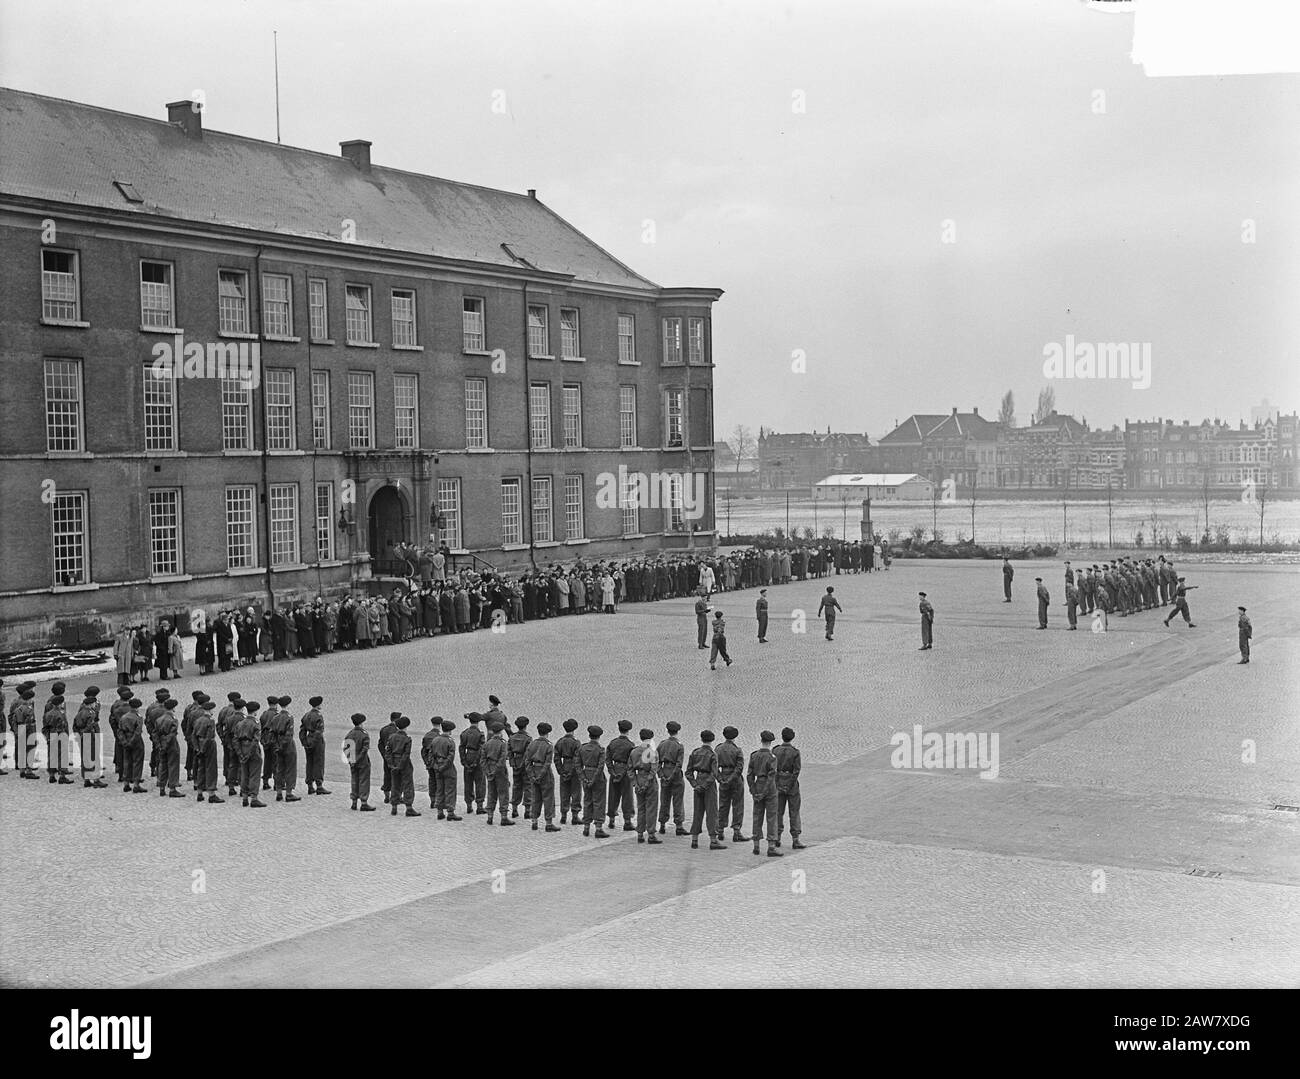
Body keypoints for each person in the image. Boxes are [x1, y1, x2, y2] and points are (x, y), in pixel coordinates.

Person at [686, 730, 726, 850]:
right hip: (708, 785)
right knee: (712, 812)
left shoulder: (695, 753)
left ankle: (694, 839)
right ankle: (713, 840)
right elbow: (714, 773)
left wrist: (695, 784)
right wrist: (705, 785)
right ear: (712, 740)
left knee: (697, 812)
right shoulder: (713, 755)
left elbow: (688, 772)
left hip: (698, 780)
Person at [747, 730, 782, 857]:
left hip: (757, 785)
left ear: (761, 740)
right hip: (769, 789)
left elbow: (749, 775)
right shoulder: (772, 758)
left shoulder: (754, 755)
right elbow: (771, 777)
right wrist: (765, 792)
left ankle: (756, 845)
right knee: (772, 817)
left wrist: (753, 790)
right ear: (771, 742)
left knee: (757, 816)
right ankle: (771, 846)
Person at [715, 725, 747, 845]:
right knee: (738, 805)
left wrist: (720, 778)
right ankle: (737, 831)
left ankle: (720, 829)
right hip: (735, 780)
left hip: (723, 775)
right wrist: (731, 779)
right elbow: (739, 768)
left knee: (723, 804)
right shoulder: (737, 750)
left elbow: (714, 766)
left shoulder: (718, 749)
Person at [773, 727, 804, 850]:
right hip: (791, 786)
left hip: (778, 782)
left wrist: (778, 784)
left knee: (778, 812)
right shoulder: (795, 752)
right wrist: (789, 785)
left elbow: (773, 769)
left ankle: (777, 837)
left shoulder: (775, 750)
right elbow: (796, 771)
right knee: (794, 812)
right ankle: (795, 839)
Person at [629, 728, 661, 844]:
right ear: (651, 738)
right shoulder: (651, 751)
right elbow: (653, 770)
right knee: (651, 808)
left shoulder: (634, 752)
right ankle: (651, 834)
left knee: (641, 808)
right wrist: (647, 783)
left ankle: (640, 833)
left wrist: (635, 783)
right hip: (649, 781)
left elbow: (630, 769)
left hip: (639, 779)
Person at [526, 721, 560, 831]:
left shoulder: (532, 744)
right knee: (548, 798)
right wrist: (541, 775)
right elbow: (548, 763)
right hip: (545, 774)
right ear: (547, 733)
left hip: (534, 770)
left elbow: (527, 762)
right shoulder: (548, 745)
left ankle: (534, 821)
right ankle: (549, 823)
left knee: (535, 797)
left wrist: (531, 775)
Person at [577, 725, 609, 838]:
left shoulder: (582, 748)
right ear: (599, 736)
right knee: (599, 802)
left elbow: (578, 765)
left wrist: (583, 778)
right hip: (597, 778)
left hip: (586, 774)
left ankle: (586, 827)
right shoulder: (600, 749)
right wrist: (593, 780)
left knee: (587, 801)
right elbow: (600, 767)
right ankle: (598, 828)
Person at [71, 687, 107, 788]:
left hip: (82, 736)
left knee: (85, 757)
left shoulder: (80, 712)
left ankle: (86, 778)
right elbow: (90, 725)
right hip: (90, 735)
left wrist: (78, 734)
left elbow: (74, 725)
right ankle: (96, 779)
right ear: (91, 704)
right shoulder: (91, 713)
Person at [605, 719, 636, 831]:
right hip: (626, 772)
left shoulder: (612, 743)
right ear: (628, 731)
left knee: (613, 795)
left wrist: (612, 772)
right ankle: (627, 821)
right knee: (627, 797)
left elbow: (607, 759)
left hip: (614, 769)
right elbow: (631, 761)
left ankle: (611, 820)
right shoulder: (630, 744)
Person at [657, 719, 687, 835]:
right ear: (677, 732)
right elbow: (679, 764)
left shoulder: (662, 744)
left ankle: (662, 825)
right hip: (675, 775)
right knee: (678, 801)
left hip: (665, 770)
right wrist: (672, 776)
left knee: (664, 800)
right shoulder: (679, 746)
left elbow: (657, 762)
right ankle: (679, 826)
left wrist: (661, 775)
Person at [386, 716, 420, 817]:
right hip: (404, 764)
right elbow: (406, 754)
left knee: (395, 784)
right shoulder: (407, 739)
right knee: (408, 785)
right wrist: (400, 766)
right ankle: (409, 807)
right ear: (406, 727)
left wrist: (391, 764)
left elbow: (388, 752)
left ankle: (394, 807)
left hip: (393, 762)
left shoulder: (391, 737)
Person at [234, 701, 266, 808]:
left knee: (244, 774)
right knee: (254, 774)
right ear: (255, 711)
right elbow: (256, 740)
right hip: (252, 750)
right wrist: (249, 753)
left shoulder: (240, 723)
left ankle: (244, 797)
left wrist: (240, 753)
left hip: (242, 748)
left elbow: (235, 740)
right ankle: (254, 798)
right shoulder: (256, 723)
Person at [482, 721, 514, 825]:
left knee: (491, 793)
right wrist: (495, 771)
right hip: (500, 771)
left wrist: (488, 771)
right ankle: (504, 817)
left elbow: (482, 760)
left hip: (490, 769)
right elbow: (502, 759)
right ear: (501, 732)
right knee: (503, 793)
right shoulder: (503, 743)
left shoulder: (487, 743)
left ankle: (490, 816)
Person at [555, 718, 583, 826]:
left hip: (564, 766)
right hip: (574, 769)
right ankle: (575, 816)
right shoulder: (576, 742)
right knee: (576, 792)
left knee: (564, 792)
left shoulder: (560, 742)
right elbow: (577, 758)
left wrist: (561, 771)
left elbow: (556, 758)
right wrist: (572, 771)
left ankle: (563, 815)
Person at [192, 699, 222, 803]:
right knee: (211, 769)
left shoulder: (198, 720)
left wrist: (197, 748)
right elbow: (209, 737)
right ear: (210, 710)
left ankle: (200, 792)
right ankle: (211, 793)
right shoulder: (210, 721)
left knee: (201, 769)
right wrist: (203, 749)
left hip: (199, 744)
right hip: (208, 746)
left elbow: (193, 735)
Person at [345, 713, 376, 811]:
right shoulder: (364, 734)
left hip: (352, 762)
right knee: (364, 781)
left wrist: (351, 760)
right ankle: (363, 802)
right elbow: (365, 749)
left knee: (354, 781)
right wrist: (358, 759)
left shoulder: (349, 734)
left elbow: (346, 749)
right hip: (363, 762)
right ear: (361, 723)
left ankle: (354, 802)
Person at [299, 695, 330, 795]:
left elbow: (302, 731)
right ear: (318, 705)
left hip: (308, 739)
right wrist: (313, 742)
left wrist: (304, 742)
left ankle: (310, 785)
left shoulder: (306, 715)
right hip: (317, 742)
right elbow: (319, 731)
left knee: (309, 763)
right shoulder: (318, 716)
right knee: (319, 762)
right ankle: (319, 785)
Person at [154, 698, 184, 798]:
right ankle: (172, 788)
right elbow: (172, 734)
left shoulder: (159, 719)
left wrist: (159, 745)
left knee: (163, 765)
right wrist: (166, 744)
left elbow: (155, 734)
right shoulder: (173, 719)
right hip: (171, 744)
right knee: (173, 766)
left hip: (161, 744)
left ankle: (162, 787)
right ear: (173, 708)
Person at [459, 712, 486, 815]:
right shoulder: (480, 734)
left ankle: (469, 806)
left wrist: (464, 761)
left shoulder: (464, 733)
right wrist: (476, 762)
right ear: (478, 722)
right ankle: (480, 806)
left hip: (467, 756)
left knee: (468, 782)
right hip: (477, 758)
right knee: (480, 783)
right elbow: (481, 749)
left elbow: (461, 747)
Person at [117, 697, 146, 792]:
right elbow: (138, 732)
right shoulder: (138, 717)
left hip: (125, 739)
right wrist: (132, 742)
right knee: (137, 762)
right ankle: (136, 784)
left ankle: (126, 783)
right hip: (136, 741)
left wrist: (124, 742)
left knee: (127, 762)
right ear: (137, 707)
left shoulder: (124, 717)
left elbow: (120, 731)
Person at [508, 717, 532, 820]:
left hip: (515, 762)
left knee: (516, 785)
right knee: (527, 786)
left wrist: (513, 763)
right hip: (525, 764)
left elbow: (509, 752)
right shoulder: (528, 738)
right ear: (526, 726)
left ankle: (514, 809)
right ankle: (527, 810)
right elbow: (528, 753)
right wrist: (524, 764)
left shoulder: (512, 737)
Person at [378, 711, 401, 805]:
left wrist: (384, 755)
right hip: (395, 759)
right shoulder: (397, 731)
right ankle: (395, 797)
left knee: (387, 776)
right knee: (397, 777)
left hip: (386, 758)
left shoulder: (383, 729)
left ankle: (386, 796)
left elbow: (380, 744)